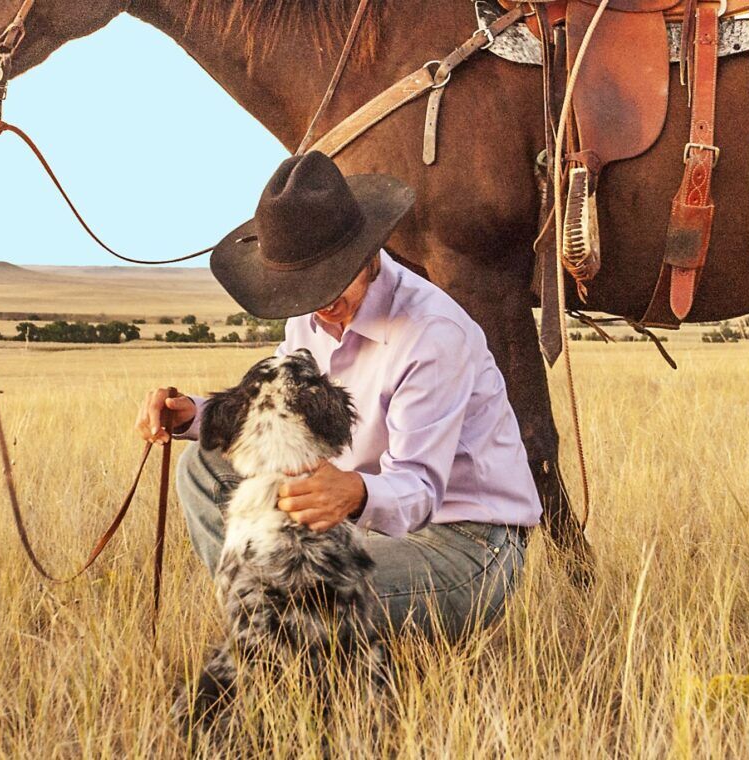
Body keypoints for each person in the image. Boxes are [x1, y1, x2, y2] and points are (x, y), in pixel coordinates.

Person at [134, 152, 541, 639]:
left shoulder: (431, 333)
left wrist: (356, 492)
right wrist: (190, 416)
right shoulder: (308, 315)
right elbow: (280, 416)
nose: (321, 304)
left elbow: (420, 491)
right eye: (303, 288)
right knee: (201, 468)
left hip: (464, 544)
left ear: (368, 253)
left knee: (298, 595)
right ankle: (264, 619)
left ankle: (284, 635)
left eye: (331, 280)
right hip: (358, 518)